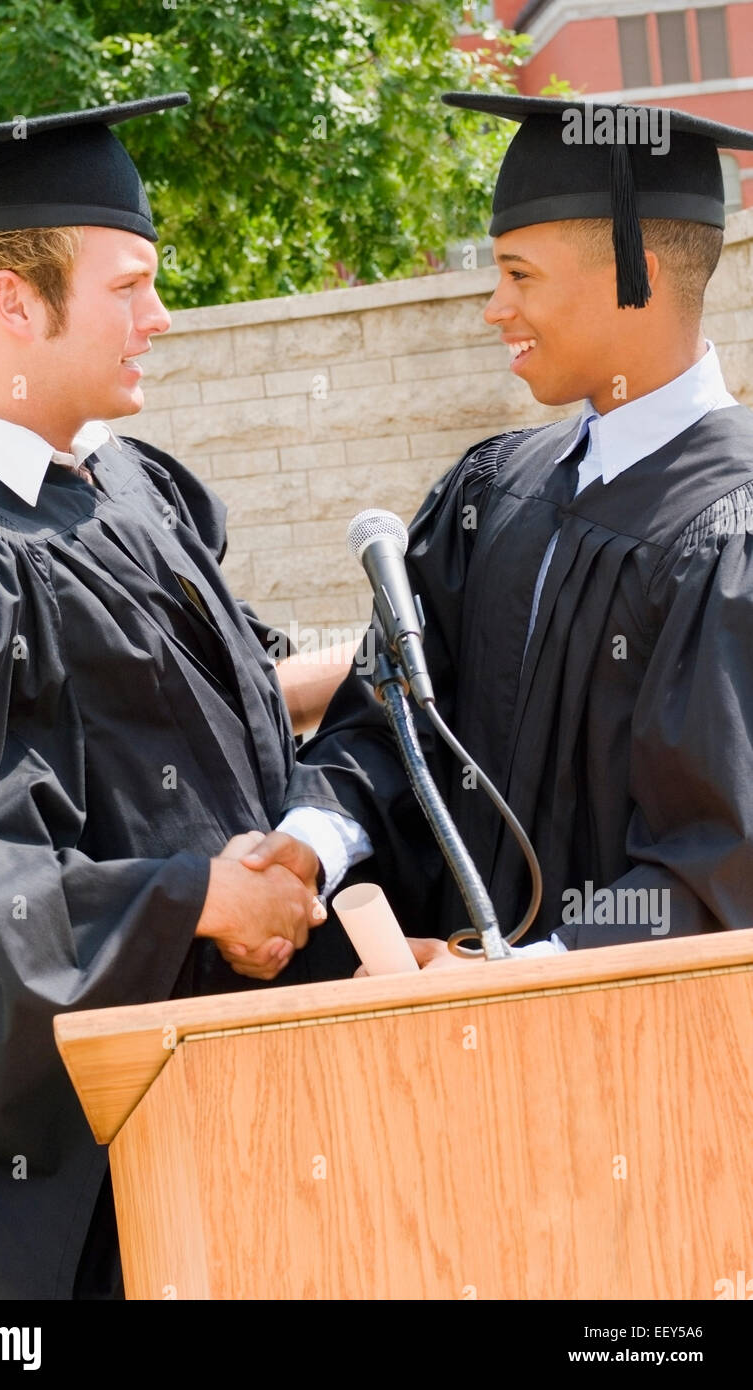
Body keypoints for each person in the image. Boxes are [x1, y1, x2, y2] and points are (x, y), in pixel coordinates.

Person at [0, 93, 345, 1300]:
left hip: (249, 1115)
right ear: (15, 304)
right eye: (129, 285)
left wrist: (370, 676)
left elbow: (228, 702)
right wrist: (200, 896)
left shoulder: (130, 487)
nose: (160, 316)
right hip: (117, 1186)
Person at [242, 95, 753, 970]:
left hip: (652, 1057)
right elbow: (389, 716)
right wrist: (309, 841)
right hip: (457, 1042)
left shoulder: (730, 531)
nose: (492, 308)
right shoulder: (495, 487)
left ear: (638, 271)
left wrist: (524, 973)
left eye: (519, 275)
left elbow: (723, 858)